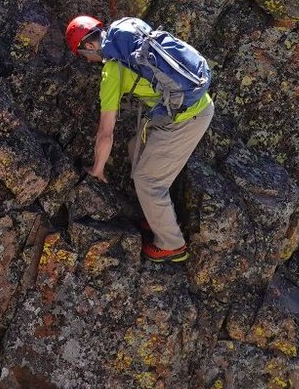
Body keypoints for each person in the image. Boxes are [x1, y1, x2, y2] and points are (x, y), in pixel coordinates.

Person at [66, 14, 214, 263]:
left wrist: (98, 169)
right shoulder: (127, 27)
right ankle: (157, 214)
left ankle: (171, 245)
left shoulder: (111, 71)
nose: (89, 61)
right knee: (136, 148)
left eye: (83, 55)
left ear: (89, 45)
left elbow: (106, 132)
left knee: (148, 181)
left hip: (187, 119)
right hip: (189, 105)